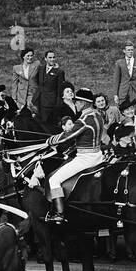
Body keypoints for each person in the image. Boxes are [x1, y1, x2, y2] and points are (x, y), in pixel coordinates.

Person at [44, 88, 106, 222]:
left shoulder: (83, 120)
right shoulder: (99, 116)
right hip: (99, 156)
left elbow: (66, 137)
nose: (75, 104)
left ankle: (59, 214)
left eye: (77, 101)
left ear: (84, 103)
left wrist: (49, 140)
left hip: (86, 159)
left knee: (53, 180)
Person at [112, 41, 136, 117]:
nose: (130, 52)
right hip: (123, 91)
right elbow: (116, 80)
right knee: (122, 112)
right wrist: (115, 94)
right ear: (124, 51)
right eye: (128, 50)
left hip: (135, 91)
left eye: (132, 50)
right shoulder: (119, 63)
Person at [33, 50, 67, 126]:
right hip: (38, 100)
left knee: (47, 124)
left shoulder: (59, 72)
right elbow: (38, 82)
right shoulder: (41, 69)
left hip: (50, 103)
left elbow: (60, 89)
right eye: (50, 57)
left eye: (53, 57)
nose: (52, 59)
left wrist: (58, 104)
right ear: (45, 59)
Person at [12, 48, 40, 114]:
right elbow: (14, 84)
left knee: (31, 112)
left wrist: (55, 66)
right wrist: (14, 98)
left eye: (31, 55)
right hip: (21, 96)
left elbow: (45, 68)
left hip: (32, 94)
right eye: (28, 56)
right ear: (23, 56)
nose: (30, 57)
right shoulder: (16, 68)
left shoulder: (36, 64)